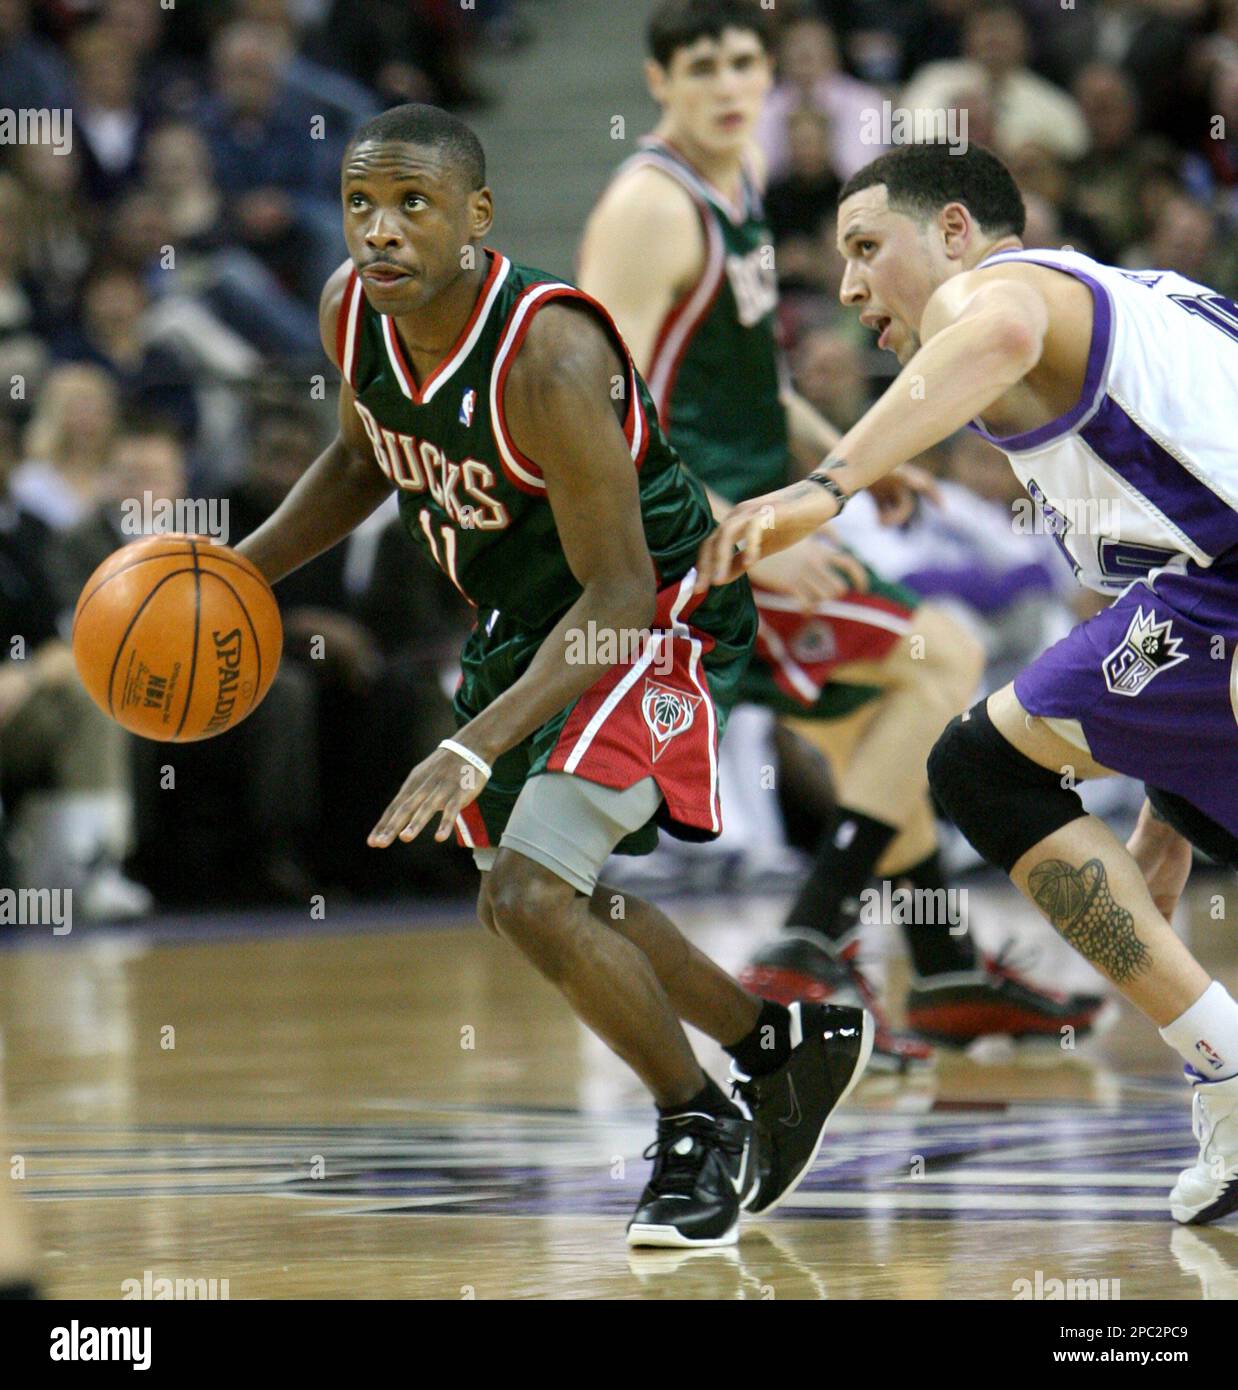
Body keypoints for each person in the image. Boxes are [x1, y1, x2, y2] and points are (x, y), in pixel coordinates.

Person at [234, 101, 873, 1248]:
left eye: (411, 206)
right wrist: (234, 573)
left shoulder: (547, 353)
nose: (378, 232)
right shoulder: (350, 311)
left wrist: (473, 740)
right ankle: (778, 1043)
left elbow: (622, 592)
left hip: (657, 608)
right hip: (527, 619)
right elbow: (359, 454)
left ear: (476, 218)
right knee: (539, 900)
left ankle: (700, 1127)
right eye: (360, 206)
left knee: (532, 889)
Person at [697, 140, 1238, 1226]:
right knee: (1012, 754)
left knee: (977, 765)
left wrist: (824, 486)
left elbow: (993, 329)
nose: (847, 286)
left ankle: (1227, 1069)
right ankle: (1219, 1069)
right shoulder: (1141, 300)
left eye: (864, 248)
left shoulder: (999, 291)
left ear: (951, 230)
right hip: (1204, 603)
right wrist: (1149, 872)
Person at [577, 0, 1101, 1070]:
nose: (730, 83)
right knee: (938, 653)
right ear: (657, 79)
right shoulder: (648, 206)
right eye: (703, 64)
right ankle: (806, 945)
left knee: (880, 730)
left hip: (737, 508)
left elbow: (740, 377)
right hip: (688, 529)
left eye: (744, 62)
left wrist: (855, 446)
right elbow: (594, 402)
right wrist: (740, 526)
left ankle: (941, 969)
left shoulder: (736, 191)